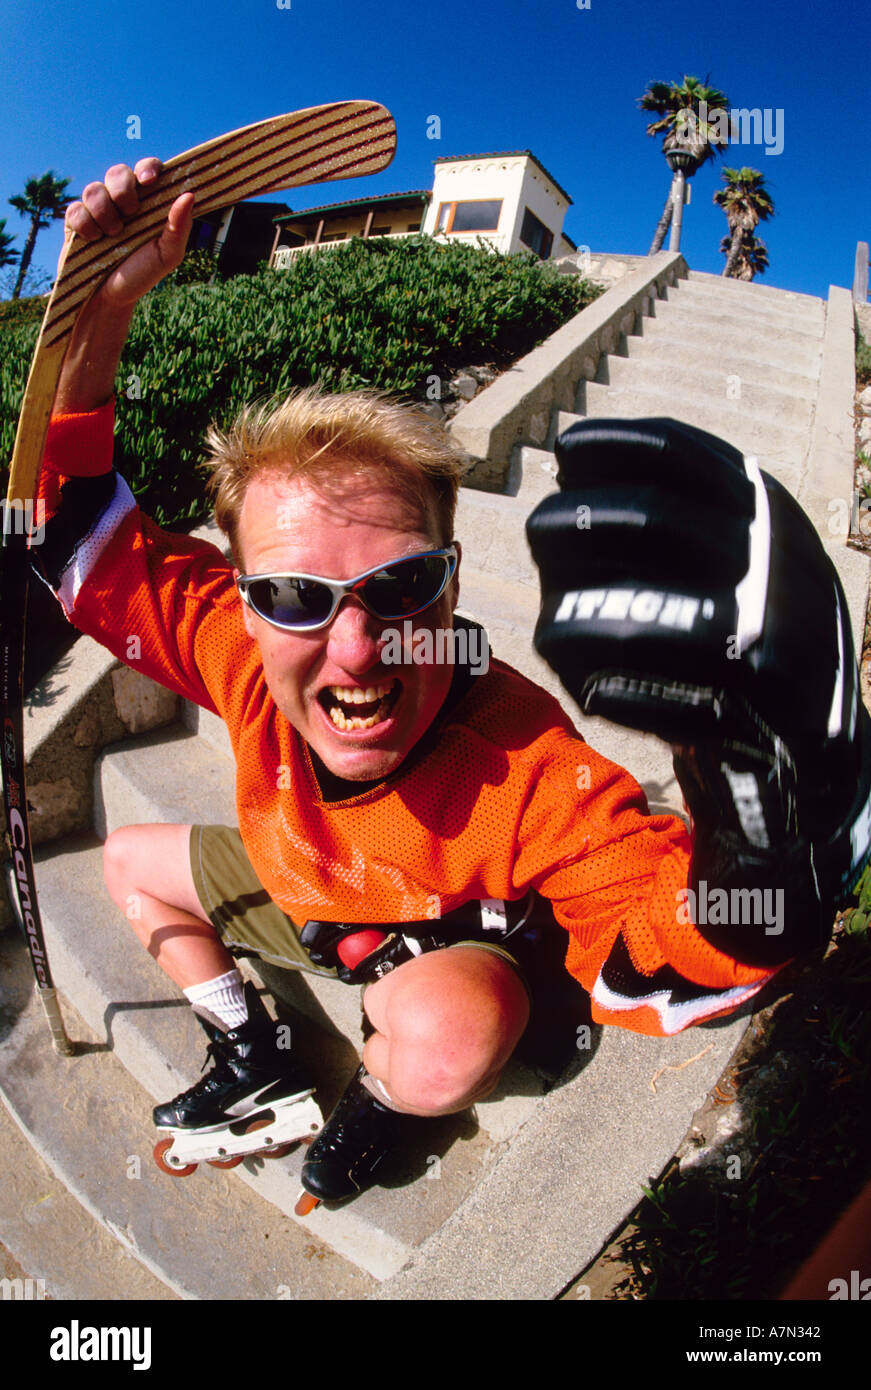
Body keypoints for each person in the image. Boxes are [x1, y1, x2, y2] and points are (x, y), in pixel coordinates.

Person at [37, 156, 871, 1206]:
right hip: (307, 892)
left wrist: (764, 885)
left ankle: (389, 1098)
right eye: (295, 595)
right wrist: (102, 310)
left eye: (401, 587)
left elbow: (647, 920)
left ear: (453, 582)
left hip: (444, 941)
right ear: (240, 596)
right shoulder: (233, 648)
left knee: (444, 1039)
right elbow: (79, 540)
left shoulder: (518, 763)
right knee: (126, 862)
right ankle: (250, 1048)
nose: (353, 650)